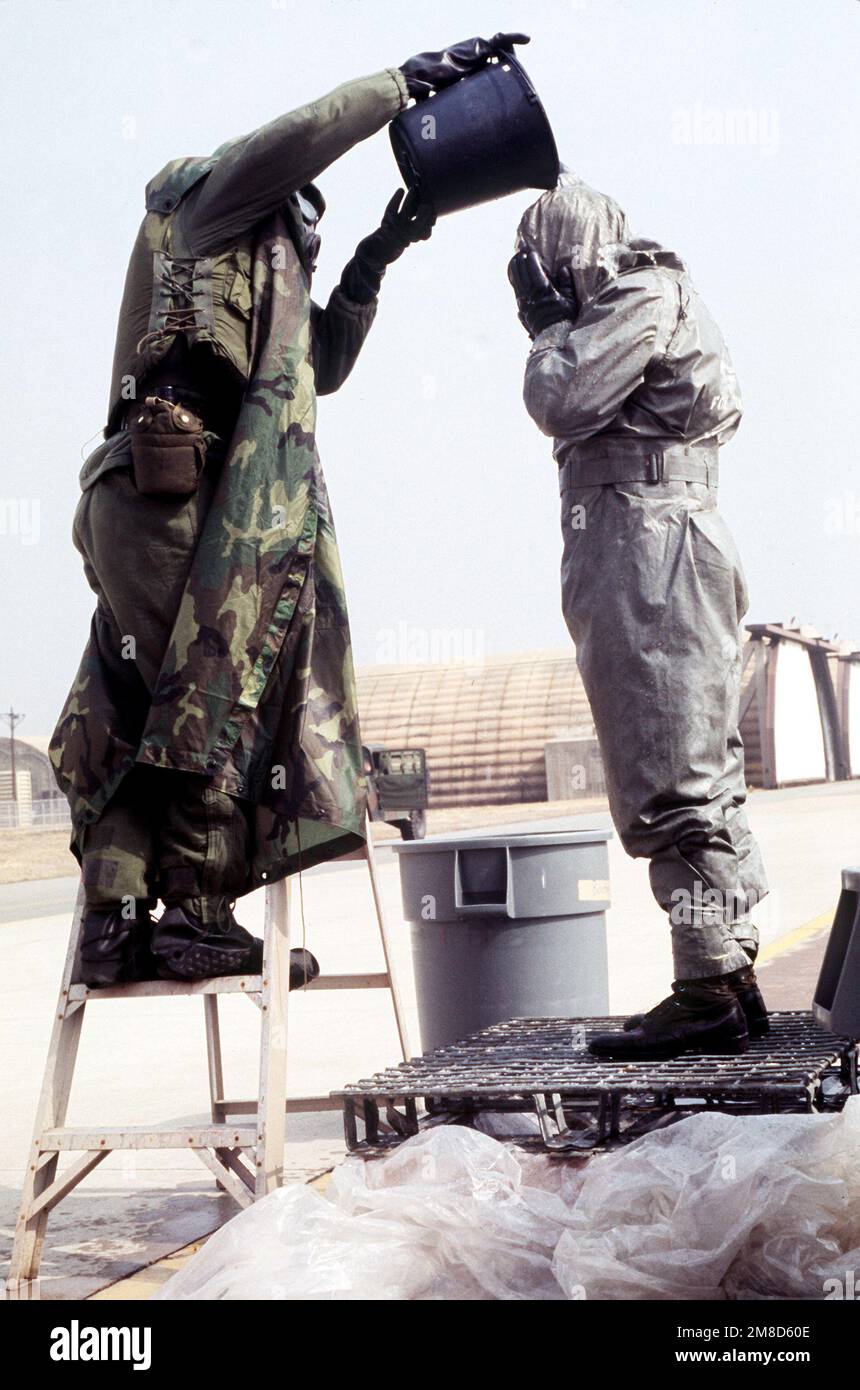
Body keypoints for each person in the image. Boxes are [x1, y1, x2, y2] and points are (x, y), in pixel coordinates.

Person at [52, 33, 530, 988]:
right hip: (167, 501)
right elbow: (304, 135)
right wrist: (406, 82)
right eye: (301, 229)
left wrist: (380, 253)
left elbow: (324, 365)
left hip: (140, 503)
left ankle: (112, 923)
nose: (303, 245)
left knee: (139, 700)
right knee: (225, 689)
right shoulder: (212, 204)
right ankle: (192, 910)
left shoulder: (244, 280)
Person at [509, 174, 769, 1058]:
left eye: (541, 262)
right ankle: (725, 971)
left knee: (669, 774)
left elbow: (561, 400)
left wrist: (549, 327)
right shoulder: (651, 294)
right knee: (699, 763)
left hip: (646, 544)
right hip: (659, 536)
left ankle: (704, 988)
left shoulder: (634, 295)